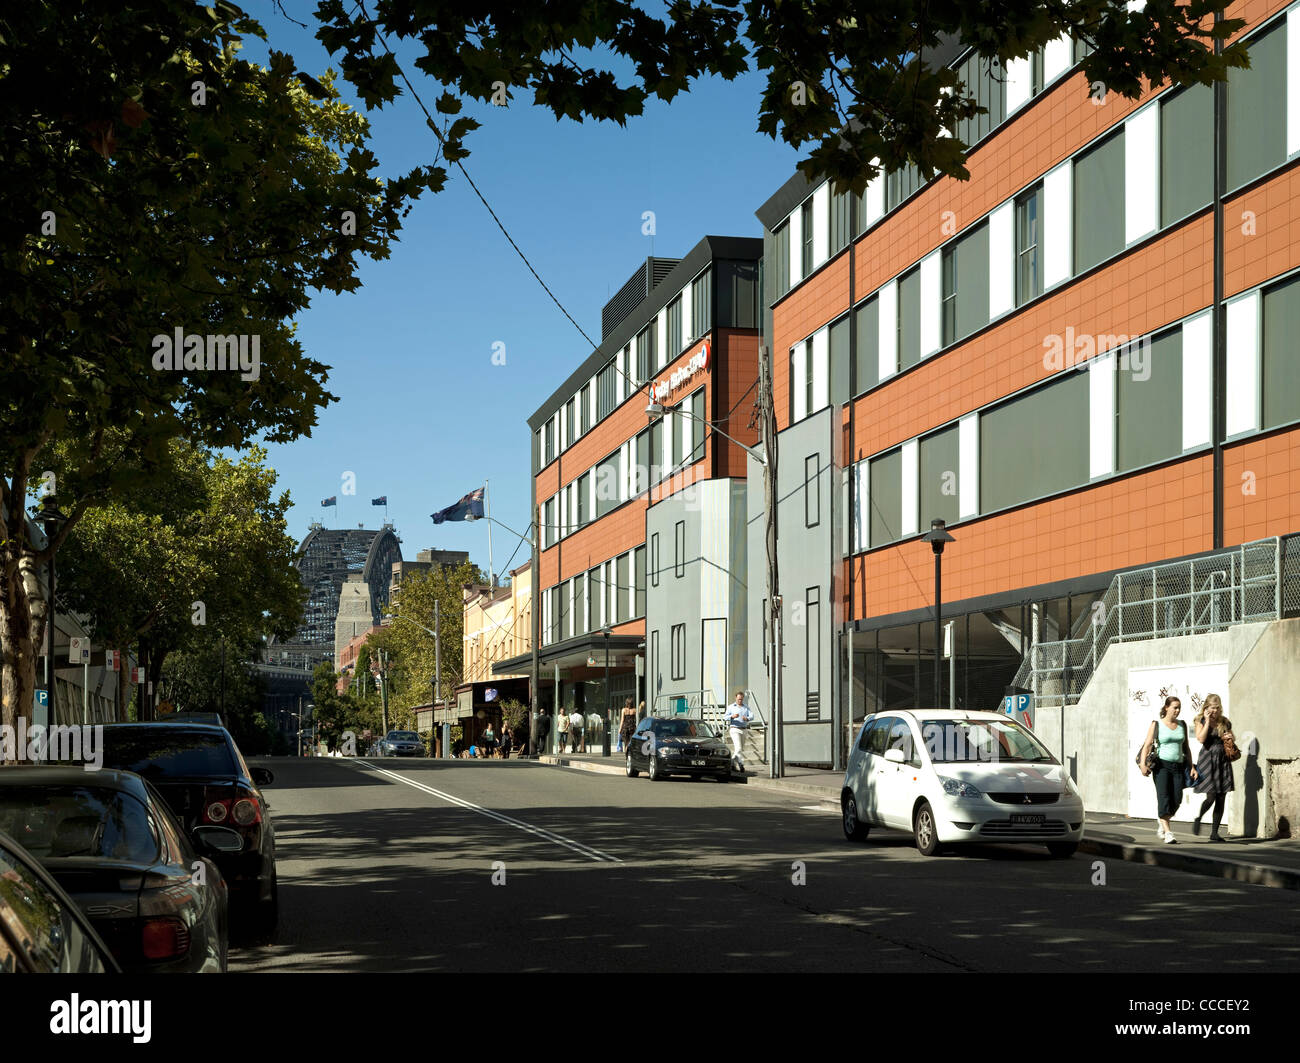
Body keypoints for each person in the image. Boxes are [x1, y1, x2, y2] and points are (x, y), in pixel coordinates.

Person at [1138, 695, 1196, 843]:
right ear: (1166, 707)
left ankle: (1162, 820)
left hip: (1178, 766)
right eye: (1174, 707)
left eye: (1179, 707)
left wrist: (1192, 766)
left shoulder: (1182, 724)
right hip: (1162, 767)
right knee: (1163, 798)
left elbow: (1186, 748)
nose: (1177, 710)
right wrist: (1143, 765)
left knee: (1176, 800)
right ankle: (1168, 832)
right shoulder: (1157, 724)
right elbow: (1147, 745)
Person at [1193, 693, 1236, 842]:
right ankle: (1199, 817)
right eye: (1212, 708)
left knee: (1221, 796)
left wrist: (1230, 738)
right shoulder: (1200, 720)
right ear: (1206, 707)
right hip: (1207, 760)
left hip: (1222, 760)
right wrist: (1206, 721)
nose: (1215, 711)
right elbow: (1201, 739)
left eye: (1217, 708)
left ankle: (1214, 833)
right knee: (1211, 796)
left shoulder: (1224, 722)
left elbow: (1232, 737)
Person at [724, 690, 753, 763]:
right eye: (738, 699)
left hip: (744, 729)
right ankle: (741, 763)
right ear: (735, 698)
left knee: (739, 749)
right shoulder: (731, 707)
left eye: (741, 699)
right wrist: (732, 716)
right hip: (734, 729)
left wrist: (747, 718)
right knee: (739, 748)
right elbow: (725, 717)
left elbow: (752, 716)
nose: (740, 700)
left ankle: (732, 762)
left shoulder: (746, 707)